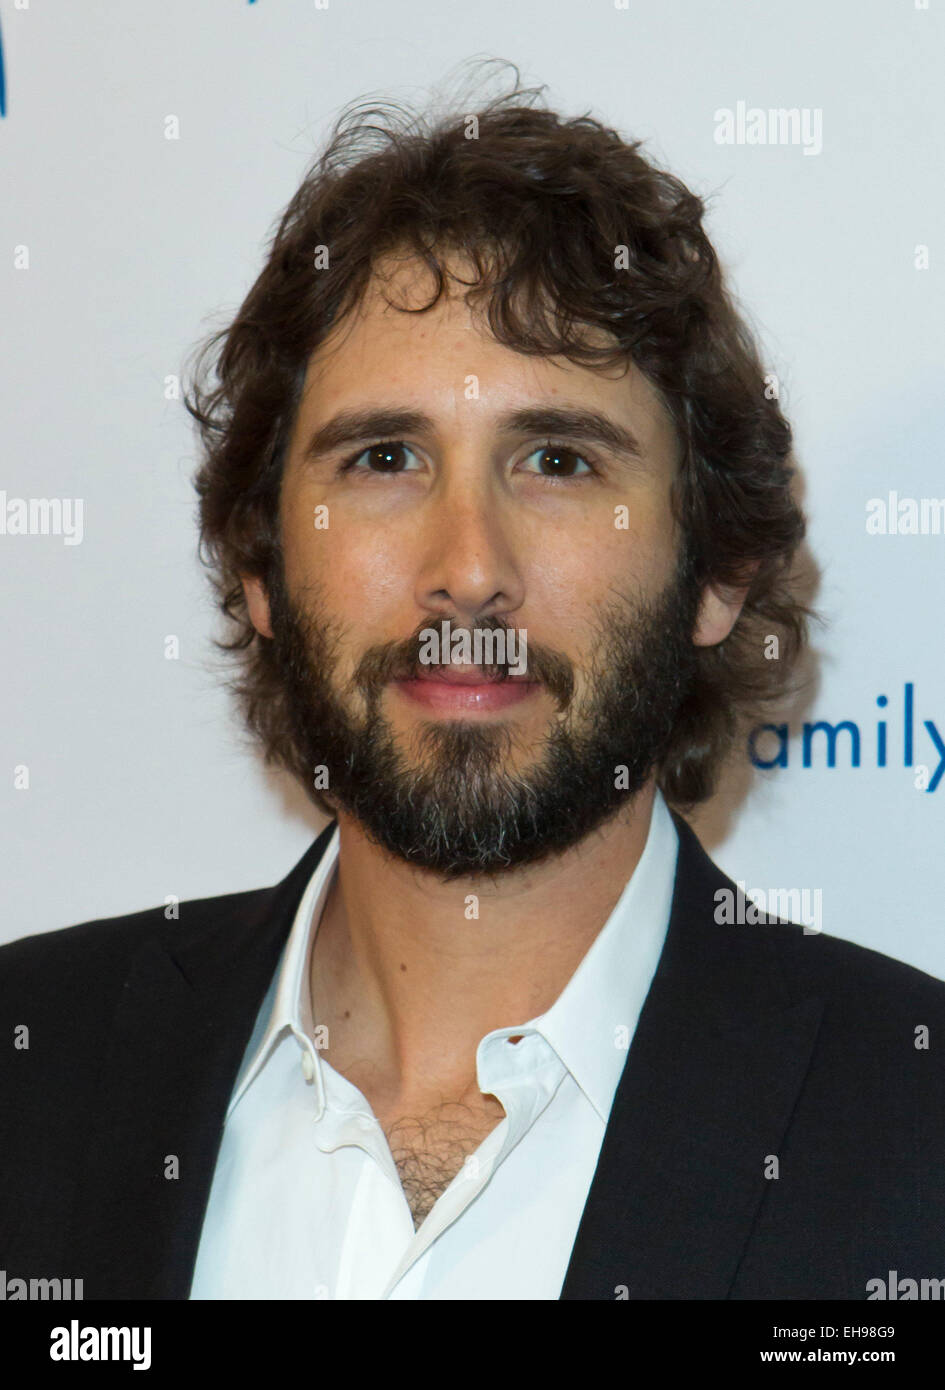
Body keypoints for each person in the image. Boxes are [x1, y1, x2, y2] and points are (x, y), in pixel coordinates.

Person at [3, 74, 943, 1301]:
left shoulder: (913, 1133)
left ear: (716, 568)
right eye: (385, 459)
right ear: (261, 567)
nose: (467, 573)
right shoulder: (34, 1069)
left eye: (557, 460)